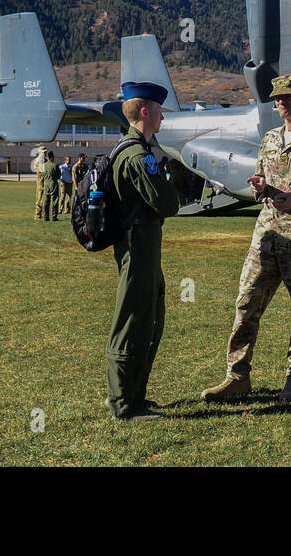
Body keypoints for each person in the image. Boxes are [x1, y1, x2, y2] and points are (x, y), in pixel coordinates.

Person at [202, 74, 291, 405]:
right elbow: (262, 178)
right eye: (277, 98)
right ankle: (237, 377)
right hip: (266, 236)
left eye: (288, 97)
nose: (281, 102)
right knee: (246, 305)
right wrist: (259, 187)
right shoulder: (269, 139)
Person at [105, 81, 181, 421]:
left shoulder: (132, 150)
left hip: (142, 245)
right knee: (133, 320)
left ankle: (134, 396)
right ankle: (124, 403)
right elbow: (167, 203)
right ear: (145, 112)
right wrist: (170, 180)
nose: (163, 117)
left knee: (148, 317)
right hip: (139, 247)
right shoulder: (138, 156)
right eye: (159, 110)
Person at [40, 150, 61, 221]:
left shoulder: (43, 165)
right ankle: (53, 217)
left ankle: (45, 216)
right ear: (52, 157)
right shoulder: (55, 165)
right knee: (54, 200)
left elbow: (42, 175)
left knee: (46, 201)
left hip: (46, 184)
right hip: (53, 183)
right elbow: (59, 176)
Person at [31, 149, 45, 220]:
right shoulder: (38, 161)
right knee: (39, 198)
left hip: (44, 181)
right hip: (40, 181)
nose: (45, 153)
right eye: (43, 152)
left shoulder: (44, 160)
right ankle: (37, 215)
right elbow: (38, 170)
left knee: (43, 198)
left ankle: (42, 214)